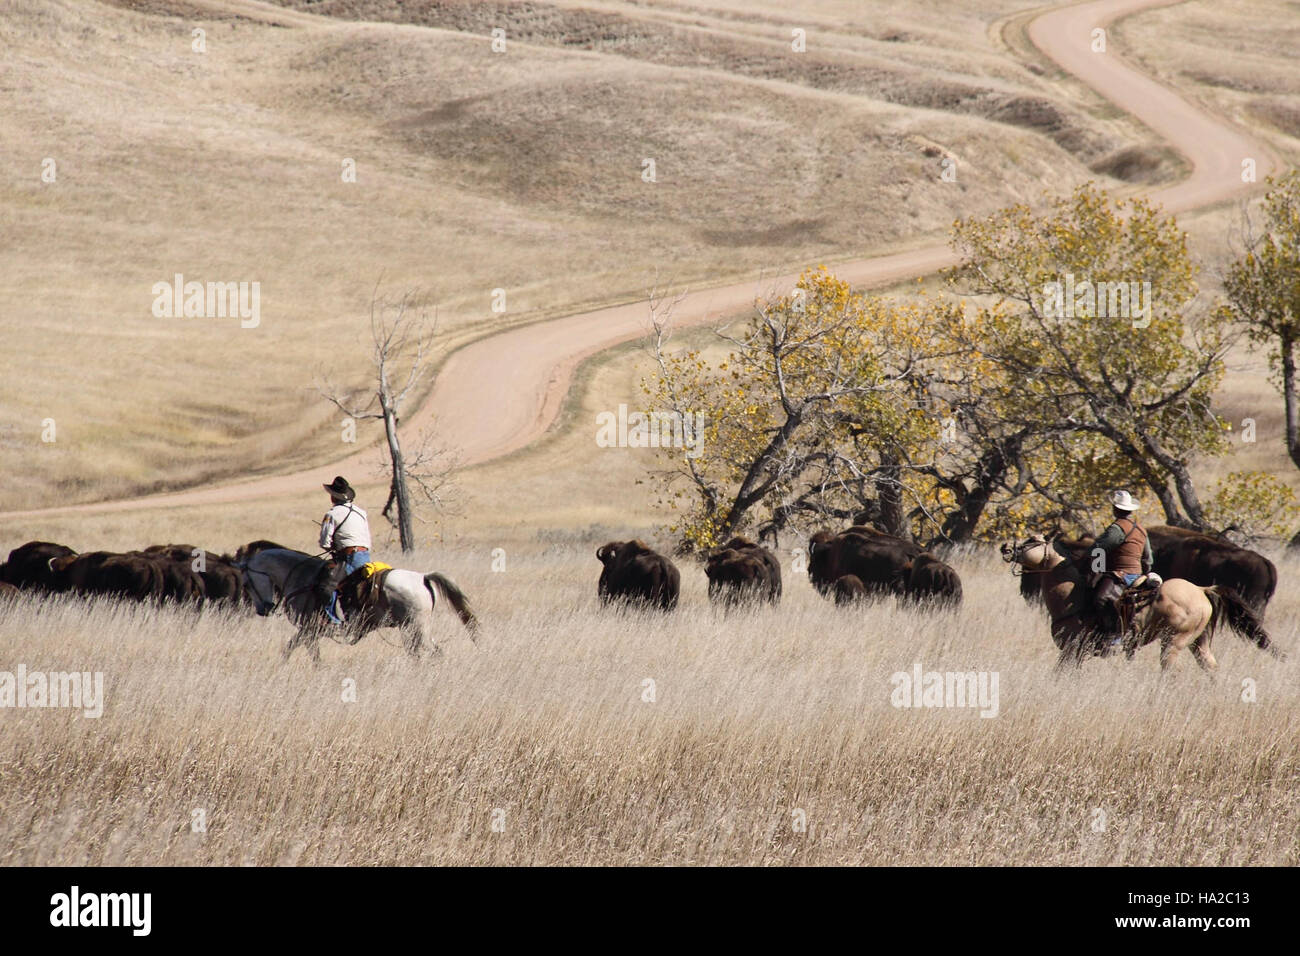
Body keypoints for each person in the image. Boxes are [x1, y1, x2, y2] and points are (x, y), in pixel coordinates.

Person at [1059, 489, 1155, 640]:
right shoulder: (1142, 530)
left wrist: (1085, 558)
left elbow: (1098, 549)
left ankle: (1113, 636)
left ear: (1116, 509)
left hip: (1121, 575)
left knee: (1100, 598)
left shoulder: (1117, 529)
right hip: (1137, 575)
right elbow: (1148, 558)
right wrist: (1144, 573)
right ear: (1130, 510)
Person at [316, 476, 372, 625]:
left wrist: (333, 546)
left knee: (326, 586)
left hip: (348, 558)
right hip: (365, 556)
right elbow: (367, 539)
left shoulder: (332, 514)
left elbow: (324, 542)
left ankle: (333, 621)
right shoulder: (361, 512)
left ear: (333, 496)